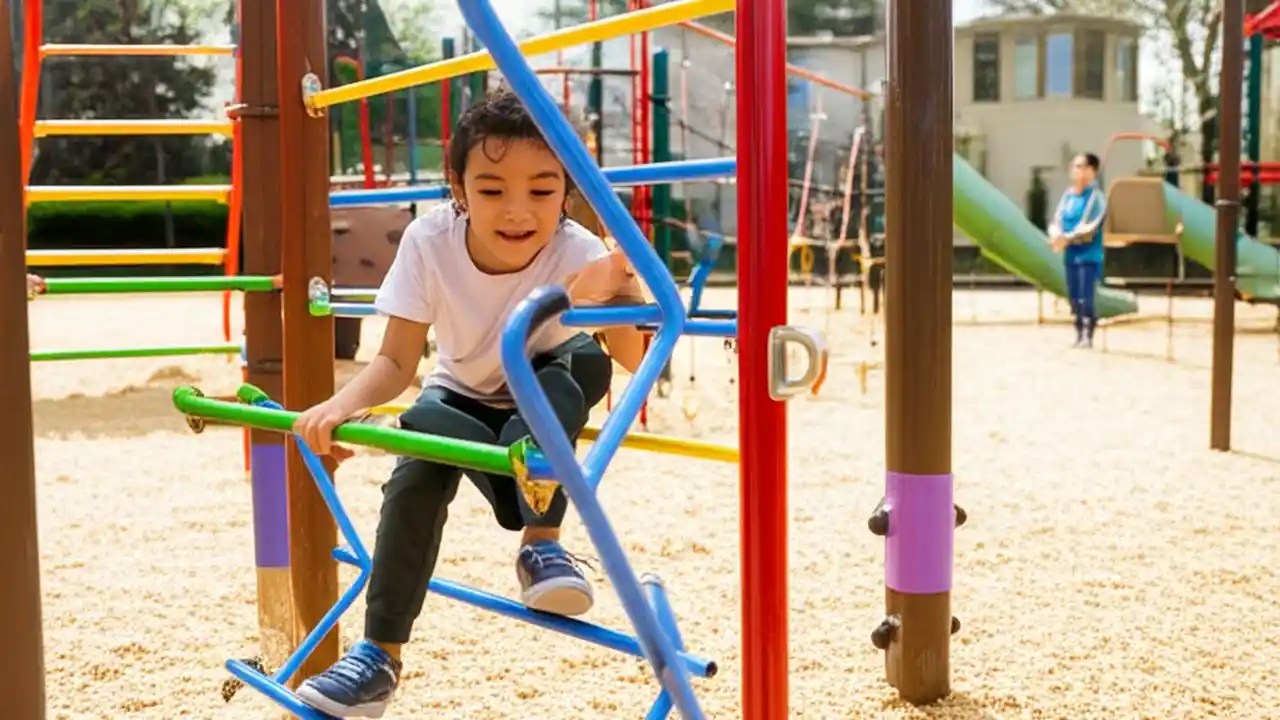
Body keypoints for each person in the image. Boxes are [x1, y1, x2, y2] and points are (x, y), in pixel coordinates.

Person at [290, 90, 647, 719]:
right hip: (460, 397)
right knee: (418, 456)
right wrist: (338, 405)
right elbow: (397, 361)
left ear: (568, 187)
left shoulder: (580, 251)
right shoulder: (429, 241)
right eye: (491, 190)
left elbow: (631, 359)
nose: (517, 211)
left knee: (573, 367)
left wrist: (620, 280)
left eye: (541, 190)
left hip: (542, 392)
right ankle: (379, 656)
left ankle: (542, 543)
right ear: (457, 185)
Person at [1049, 152, 1108, 348]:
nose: (1076, 170)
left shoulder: (1096, 197)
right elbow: (1057, 219)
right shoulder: (1068, 196)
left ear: (1092, 171)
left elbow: (1092, 226)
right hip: (1071, 255)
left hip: (1088, 255)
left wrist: (1070, 237)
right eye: (1075, 166)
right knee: (1074, 296)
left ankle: (1087, 334)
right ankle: (1077, 331)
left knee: (1085, 296)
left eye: (1081, 166)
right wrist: (1056, 234)